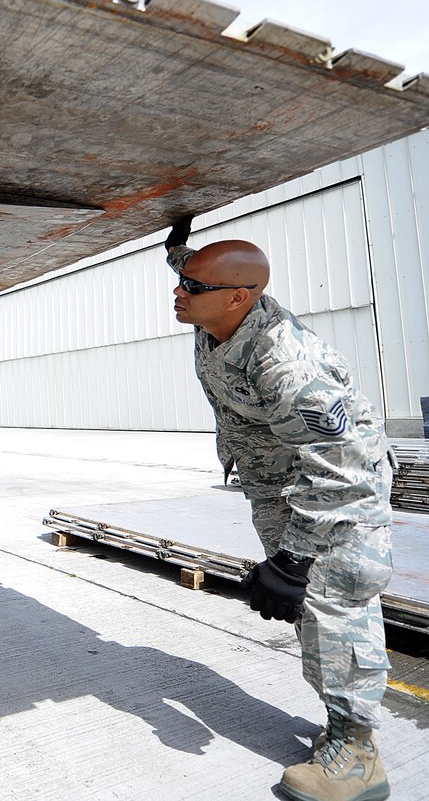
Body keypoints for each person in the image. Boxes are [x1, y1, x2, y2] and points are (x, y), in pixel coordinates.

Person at [164, 220, 395, 801]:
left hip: (336, 492)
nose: (179, 293)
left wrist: (293, 562)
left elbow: (344, 466)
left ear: (238, 297)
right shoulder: (218, 304)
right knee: (310, 615)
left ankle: (358, 752)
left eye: (192, 287)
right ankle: (340, 726)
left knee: (333, 606)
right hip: (280, 486)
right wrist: (178, 248)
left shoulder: (286, 365)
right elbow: (193, 266)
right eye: (183, 281)